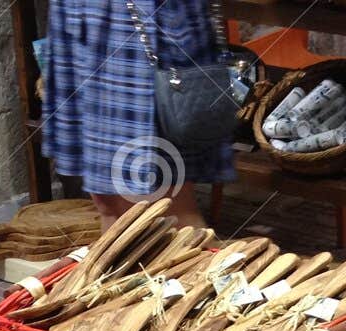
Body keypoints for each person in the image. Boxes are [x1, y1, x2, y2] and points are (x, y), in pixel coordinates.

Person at [43, 0, 235, 229]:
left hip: (143, 19)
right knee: (109, 206)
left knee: (169, 206)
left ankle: (188, 261)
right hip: (85, 16)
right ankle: (118, 263)